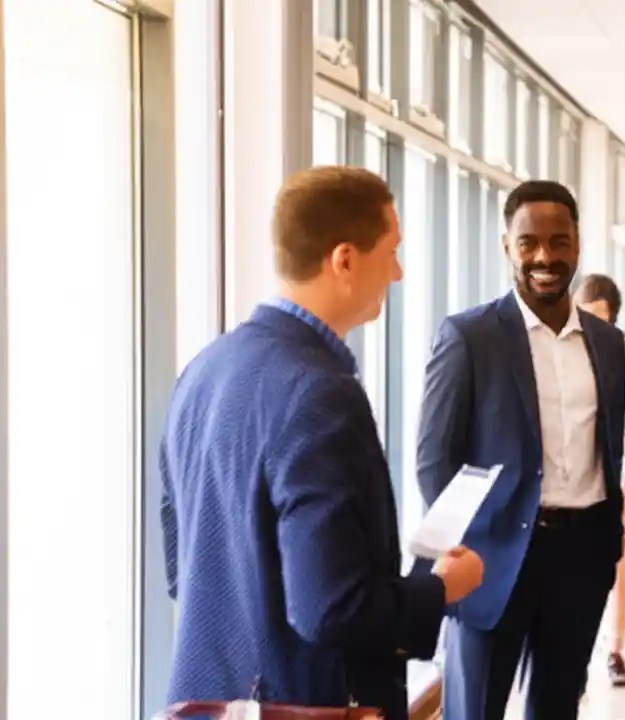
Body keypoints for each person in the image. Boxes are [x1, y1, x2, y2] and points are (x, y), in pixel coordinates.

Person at [159, 166, 484, 720]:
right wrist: (440, 590)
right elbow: (331, 609)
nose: (399, 271)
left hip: (209, 700)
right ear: (345, 260)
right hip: (304, 701)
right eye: (391, 251)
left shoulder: (203, 370)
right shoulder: (320, 395)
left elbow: (180, 565)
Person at [417, 180, 625, 720]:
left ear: (577, 244)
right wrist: (457, 549)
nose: (544, 257)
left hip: (581, 556)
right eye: (529, 242)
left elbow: (609, 447)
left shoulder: (607, 343)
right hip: (492, 558)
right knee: (475, 710)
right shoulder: (469, 336)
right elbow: (434, 460)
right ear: (506, 246)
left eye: (559, 242)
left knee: (557, 708)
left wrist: (607, 547)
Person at [574, 273, 625, 689]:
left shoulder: (624, 356)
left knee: (612, 569)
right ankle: (575, 659)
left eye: (601, 319)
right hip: (572, 482)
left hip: (616, 479)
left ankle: (613, 651)